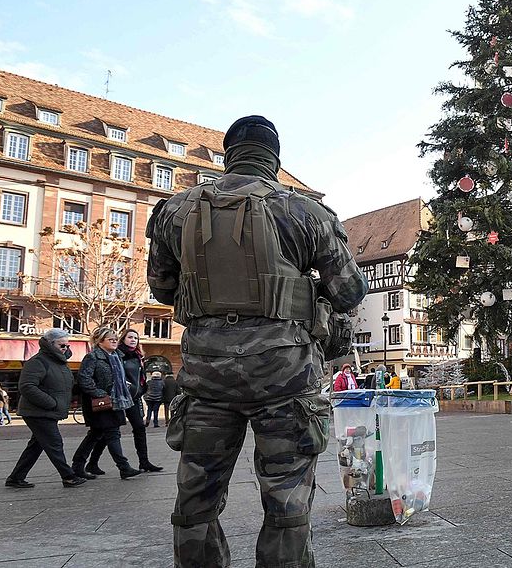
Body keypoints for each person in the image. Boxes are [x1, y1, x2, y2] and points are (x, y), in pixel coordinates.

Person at [147, 114, 367, 567]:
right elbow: (349, 291)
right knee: (287, 504)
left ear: (229, 155)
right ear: (275, 157)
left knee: (195, 502)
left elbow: (162, 288)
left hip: (205, 375)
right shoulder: (304, 211)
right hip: (284, 375)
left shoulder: (174, 211)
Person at [5, 329, 86, 488]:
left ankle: (15, 478)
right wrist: (51, 403)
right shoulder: (38, 362)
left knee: (37, 445)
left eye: (67, 345)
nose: (65, 348)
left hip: (47, 411)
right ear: (50, 344)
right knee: (54, 443)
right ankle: (68, 476)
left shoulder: (59, 362)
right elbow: (27, 386)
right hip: (37, 411)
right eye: (61, 345)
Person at [71, 327, 143, 481]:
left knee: (96, 434)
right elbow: (84, 379)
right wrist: (100, 393)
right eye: (111, 339)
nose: (115, 341)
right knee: (112, 433)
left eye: (116, 339)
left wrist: (124, 385)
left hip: (116, 400)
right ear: (100, 341)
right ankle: (124, 467)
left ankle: (78, 466)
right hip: (101, 402)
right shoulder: (93, 357)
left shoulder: (117, 356)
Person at [88, 330, 163, 474]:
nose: (133, 340)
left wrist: (141, 388)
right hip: (118, 397)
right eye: (130, 337)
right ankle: (92, 463)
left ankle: (144, 462)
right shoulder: (117, 354)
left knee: (139, 428)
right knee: (109, 432)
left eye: (136, 337)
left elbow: (139, 377)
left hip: (132, 399)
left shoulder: (138, 355)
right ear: (123, 339)